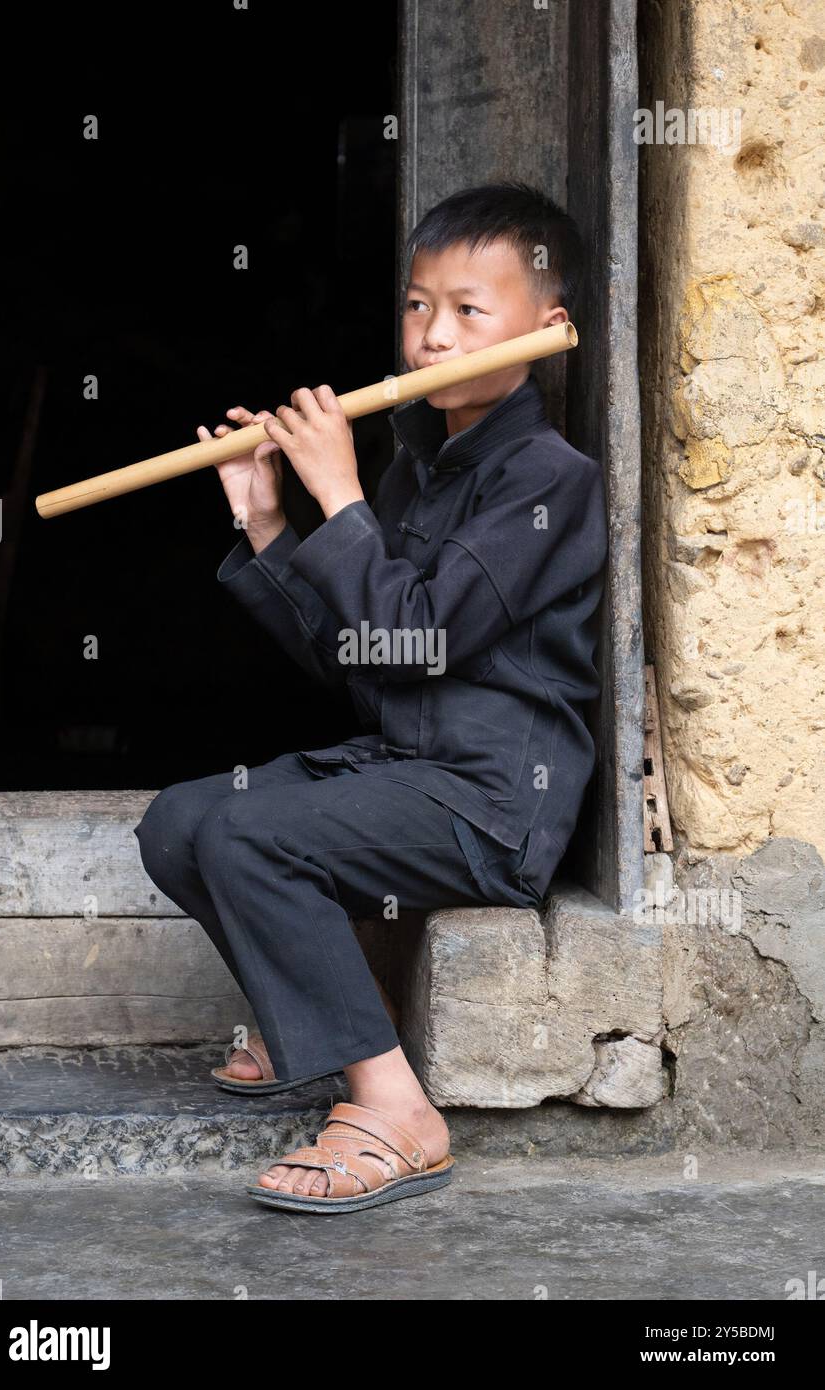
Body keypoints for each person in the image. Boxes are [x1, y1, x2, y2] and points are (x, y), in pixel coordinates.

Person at [134, 180, 608, 1213]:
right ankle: (332, 1013)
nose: (433, 337)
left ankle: (394, 1108)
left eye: (468, 311)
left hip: (490, 801)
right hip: (406, 772)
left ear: (548, 325)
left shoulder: (546, 480)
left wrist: (340, 494)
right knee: (179, 822)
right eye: (415, 306)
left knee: (248, 838)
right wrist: (267, 525)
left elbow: (425, 633)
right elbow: (360, 660)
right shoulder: (413, 470)